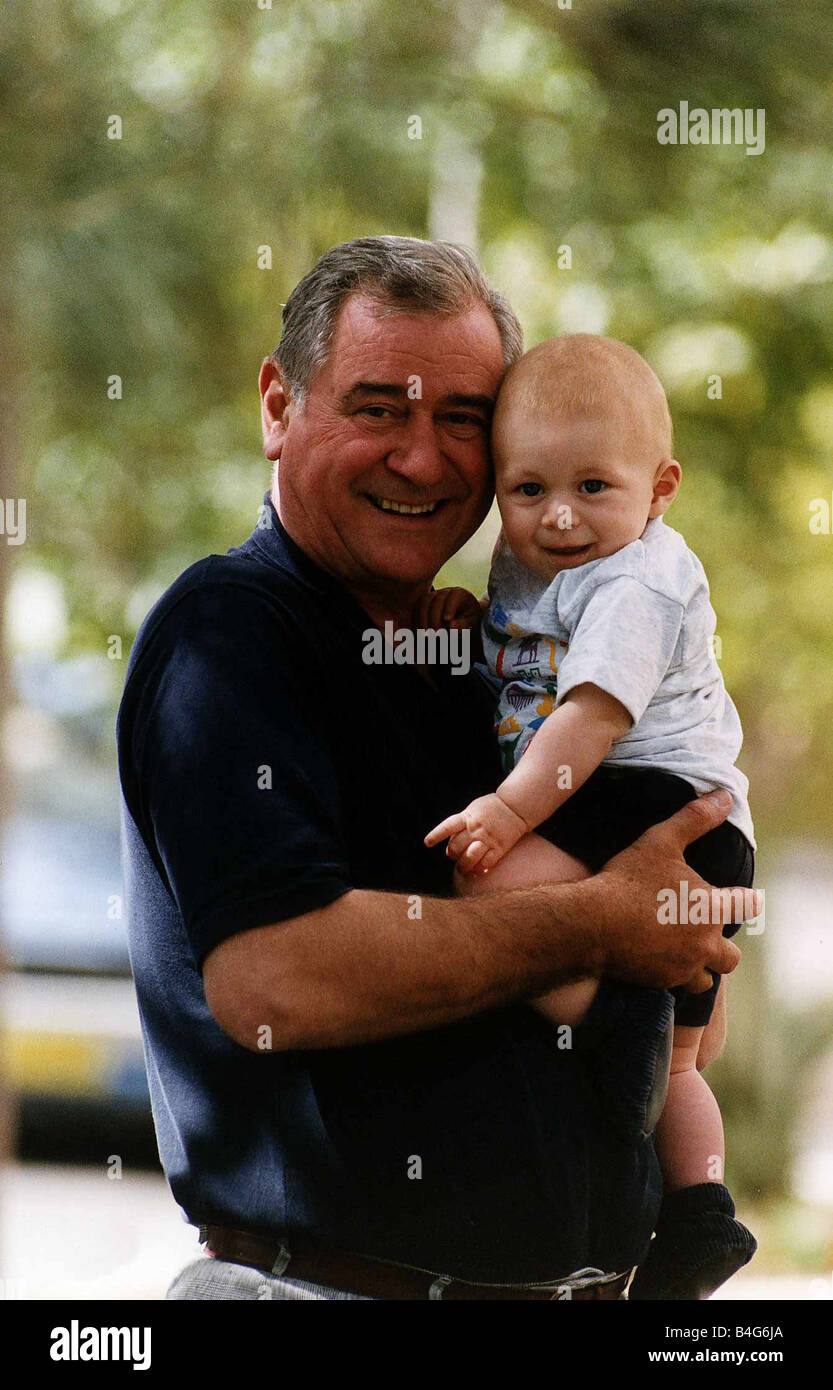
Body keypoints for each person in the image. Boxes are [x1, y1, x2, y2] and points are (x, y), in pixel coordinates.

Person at [116, 236, 756, 1301]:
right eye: (378, 409)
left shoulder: (486, 662)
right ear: (277, 406)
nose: (423, 460)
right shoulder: (231, 632)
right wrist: (600, 923)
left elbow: (682, 991)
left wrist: (657, 942)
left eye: (462, 419)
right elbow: (273, 977)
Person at [424, 334, 758, 1299]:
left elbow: (588, 718)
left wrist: (504, 810)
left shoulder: (636, 581)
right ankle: (699, 1215)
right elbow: (518, 666)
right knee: (685, 1065)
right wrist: (457, 629)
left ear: (659, 489)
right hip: (648, 812)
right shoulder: (530, 561)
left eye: (592, 487)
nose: (559, 514)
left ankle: (620, 1032)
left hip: (658, 802)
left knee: (481, 885)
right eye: (527, 490)